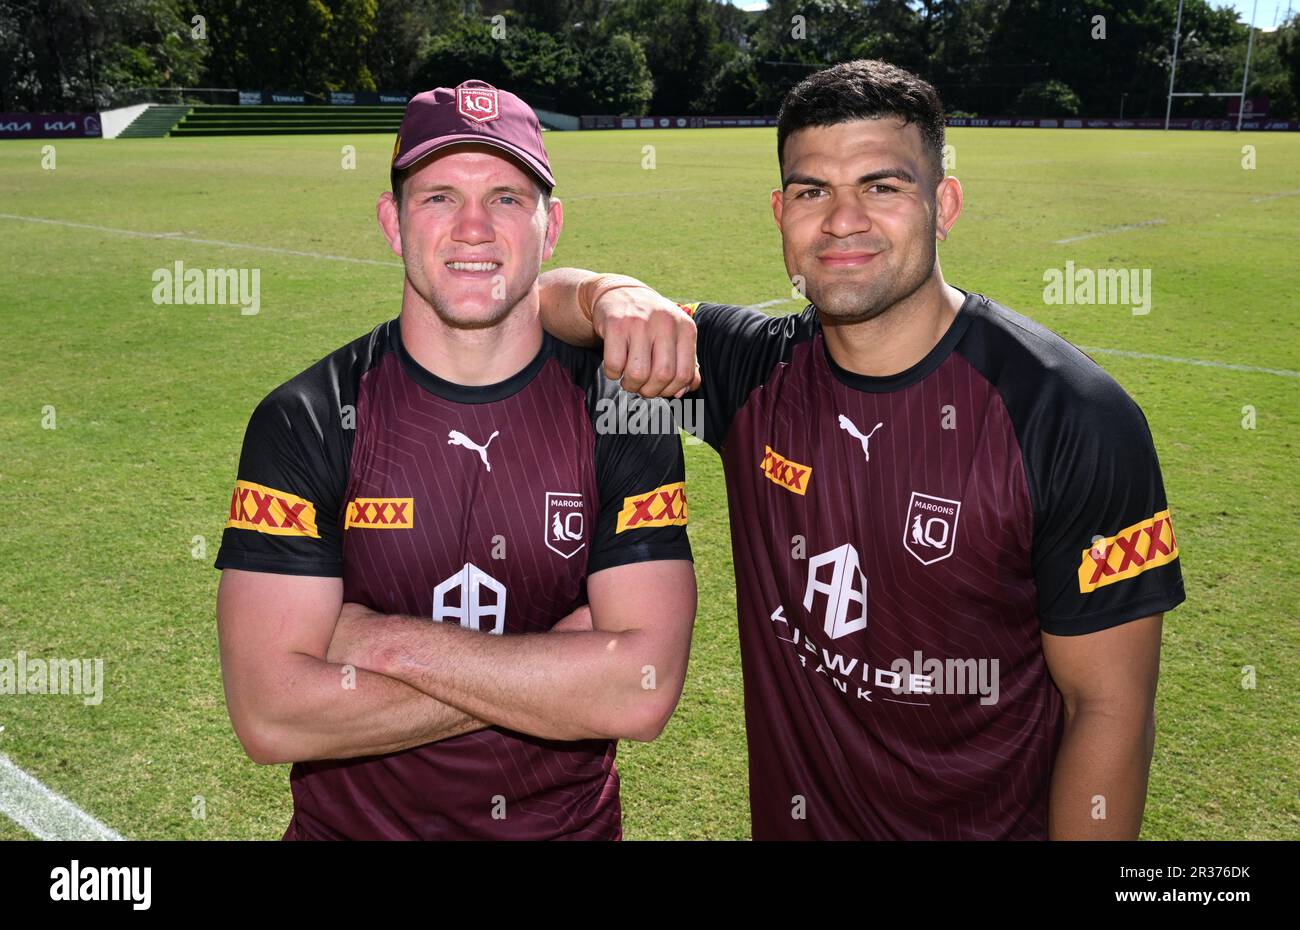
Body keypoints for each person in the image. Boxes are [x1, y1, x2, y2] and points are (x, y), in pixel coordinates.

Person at [537, 60, 1184, 839]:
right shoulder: (749, 369)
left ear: (943, 204)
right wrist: (613, 293)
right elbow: (545, 299)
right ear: (780, 212)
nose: (843, 222)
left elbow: (1107, 707)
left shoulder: (1069, 415)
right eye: (813, 192)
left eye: (882, 186)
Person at [214, 80, 696, 840]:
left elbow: (638, 694)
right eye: (439, 196)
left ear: (552, 225)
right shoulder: (305, 417)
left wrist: (380, 641)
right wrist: (556, 672)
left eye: (506, 198)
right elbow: (271, 715)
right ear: (393, 223)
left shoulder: (622, 411)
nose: (473, 227)